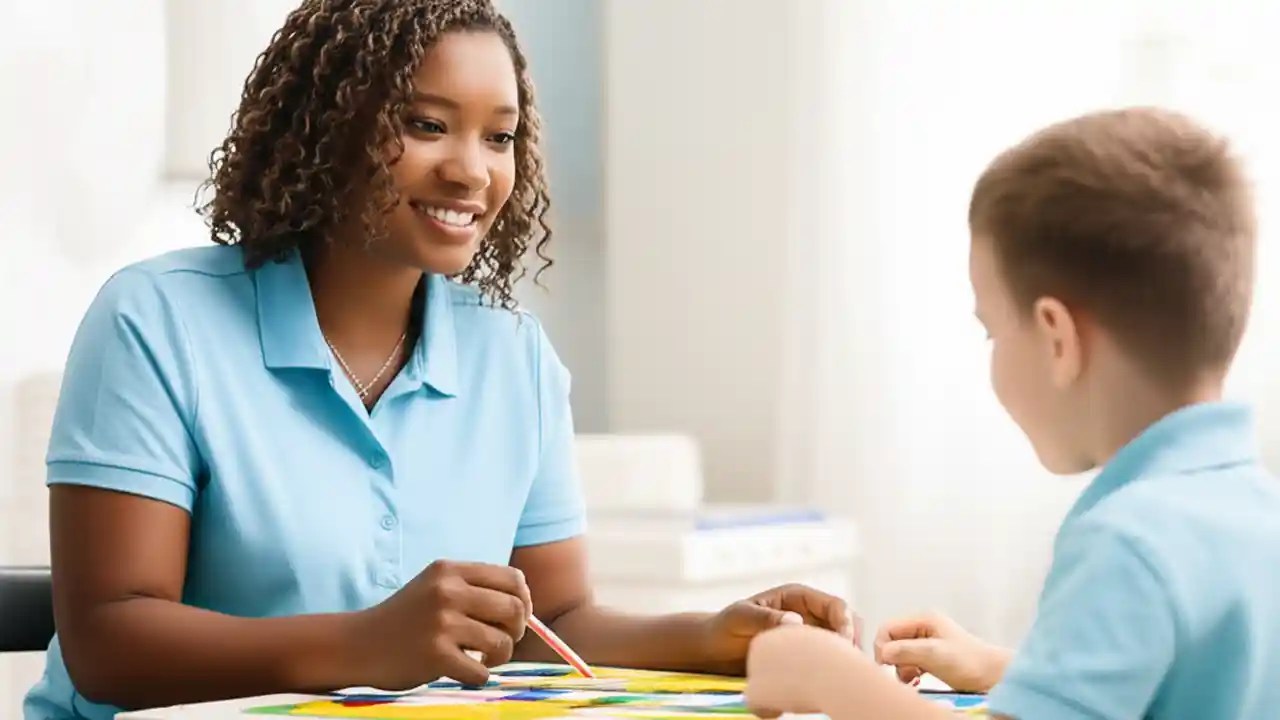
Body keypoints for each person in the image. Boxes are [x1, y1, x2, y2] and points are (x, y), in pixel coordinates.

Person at [23, 2, 859, 718]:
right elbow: (110, 639)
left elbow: (555, 620)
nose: (471, 170)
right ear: (329, 124)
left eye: (500, 137)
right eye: (427, 125)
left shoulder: (514, 354)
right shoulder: (158, 320)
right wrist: (365, 642)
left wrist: (710, 633)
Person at [744, 106, 1280, 719]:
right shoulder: (1256, 514)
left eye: (991, 330)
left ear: (1057, 339)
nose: (992, 353)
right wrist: (1008, 670)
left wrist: (829, 679)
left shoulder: (1128, 542)